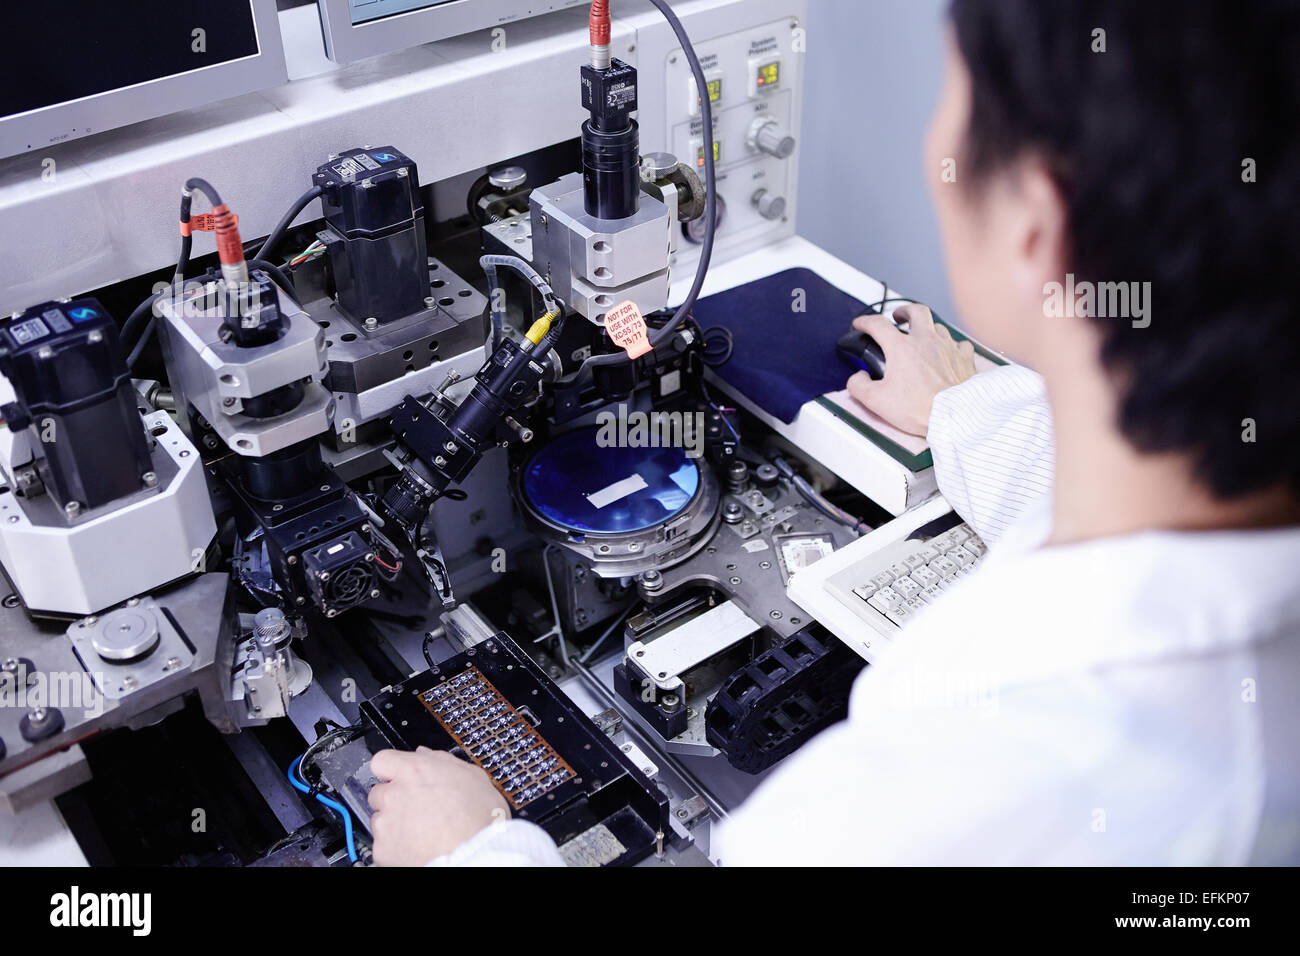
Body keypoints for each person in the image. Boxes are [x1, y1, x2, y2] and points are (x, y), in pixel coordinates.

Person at [364, 0, 1300, 865]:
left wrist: (475, 845)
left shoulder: (917, 813)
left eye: (958, 106)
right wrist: (963, 412)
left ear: (1036, 230)